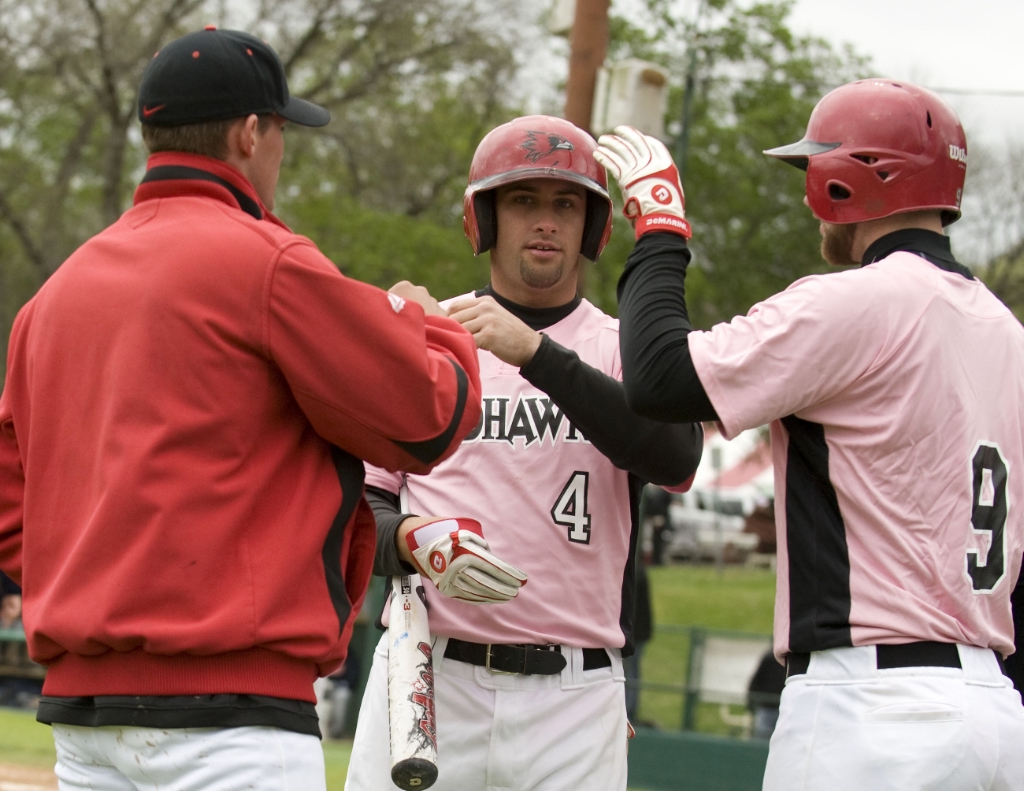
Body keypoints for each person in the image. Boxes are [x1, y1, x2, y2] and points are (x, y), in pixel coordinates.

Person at [0, 26, 482, 791]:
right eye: (281, 129)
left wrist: (101, 590)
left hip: (85, 721)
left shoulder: (51, 296)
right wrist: (432, 326)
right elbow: (427, 419)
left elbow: (11, 512)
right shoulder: (269, 260)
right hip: (231, 721)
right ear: (250, 132)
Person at [597, 78, 1024, 789]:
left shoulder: (854, 302)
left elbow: (660, 378)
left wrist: (660, 229)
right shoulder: (1007, 333)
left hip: (871, 706)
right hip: (994, 707)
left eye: (815, 167)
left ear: (846, 183)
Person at [345, 115, 703, 791]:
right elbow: (355, 508)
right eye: (524, 201)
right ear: (485, 219)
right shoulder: (427, 336)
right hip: (428, 674)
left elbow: (677, 457)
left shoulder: (622, 349)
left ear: (593, 227)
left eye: (566, 204)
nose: (546, 222)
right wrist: (411, 538)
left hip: (574, 690)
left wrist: (537, 356)